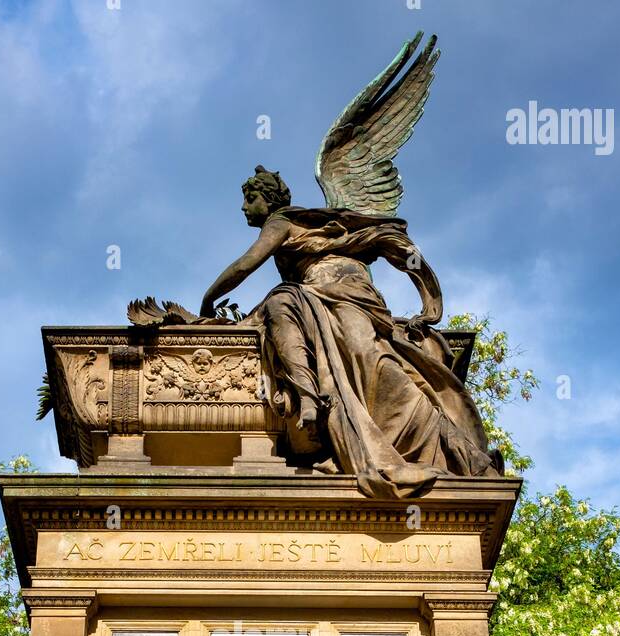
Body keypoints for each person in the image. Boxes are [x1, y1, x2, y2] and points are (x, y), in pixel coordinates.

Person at [199, 165, 503, 498]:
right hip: (334, 297)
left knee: (366, 356)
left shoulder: (282, 222)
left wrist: (209, 298)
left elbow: (247, 262)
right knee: (313, 321)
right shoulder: (305, 226)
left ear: (268, 199)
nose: (244, 208)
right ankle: (311, 398)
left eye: (250, 198)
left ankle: (444, 446)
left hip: (341, 293)